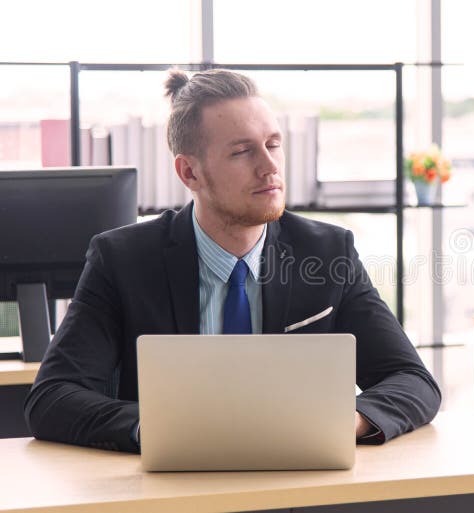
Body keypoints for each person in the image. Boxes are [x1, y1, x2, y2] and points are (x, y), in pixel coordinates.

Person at [24, 69, 441, 453]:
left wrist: (345, 422)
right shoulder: (122, 260)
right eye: (243, 152)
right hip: (169, 491)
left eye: (273, 145)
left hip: (298, 480)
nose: (270, 167)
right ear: (190, 173)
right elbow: (53, 397)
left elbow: (413, 381)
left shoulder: (328, 253)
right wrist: (155, 427)